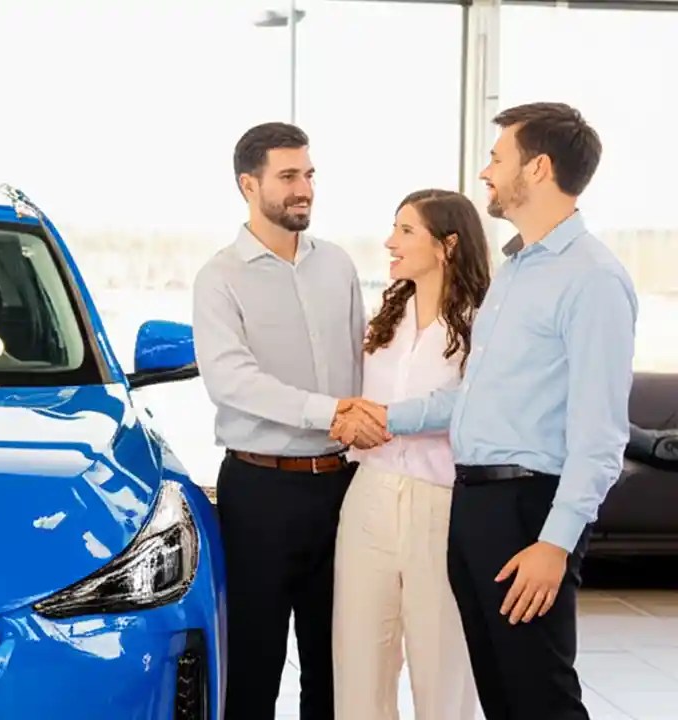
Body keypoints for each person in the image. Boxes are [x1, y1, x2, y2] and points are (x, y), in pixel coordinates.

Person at [335, 102, 637, 720]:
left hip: (527, 510)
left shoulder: (593, 278)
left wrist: (555, 543)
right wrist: (384, 416)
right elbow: (472, 396)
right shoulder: (518, 269)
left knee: (538, 696)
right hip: (476, 504)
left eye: (498, 159)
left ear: (540, 168)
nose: (485, 173)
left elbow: (601, 434)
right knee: (500, 694)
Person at [192, 121, 375, 720]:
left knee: (335, 663)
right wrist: (332, 412)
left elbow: (359, 360)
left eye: (310, 175)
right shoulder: (219, 277)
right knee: (254, 664)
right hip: (260, 491)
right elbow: (232, 381)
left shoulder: (339, 266)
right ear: (249, 184)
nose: (305, 189)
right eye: (289, 176)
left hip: (341, 487)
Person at [330, 189, 490, 720]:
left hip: (441, 504)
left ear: (447, 244)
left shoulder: (482, 324)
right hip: (369, 495)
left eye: (405, 231)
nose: (389, 242)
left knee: (441, 665)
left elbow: (468, 405)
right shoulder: (385, 322)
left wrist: (381, 418)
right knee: (359, 664)